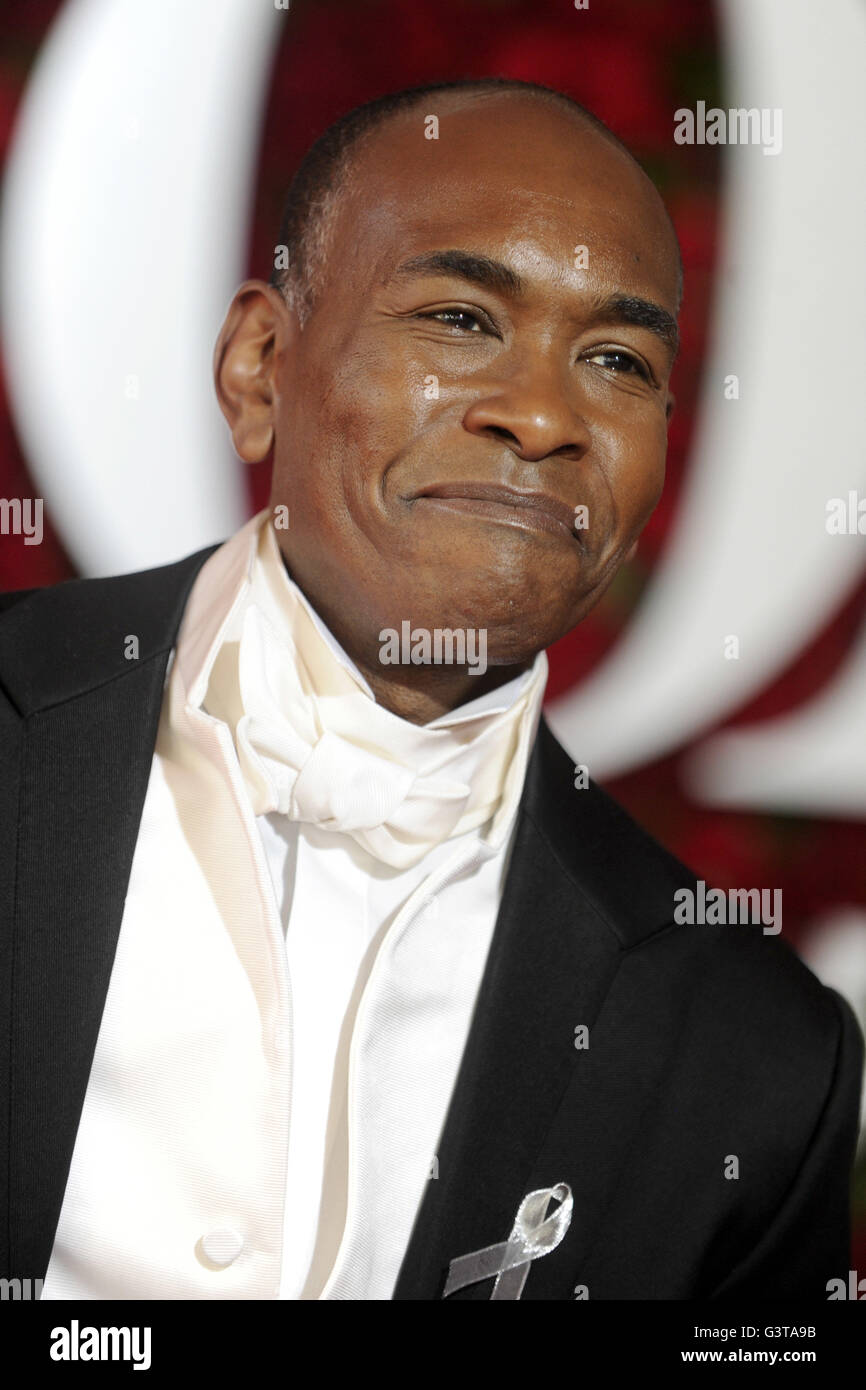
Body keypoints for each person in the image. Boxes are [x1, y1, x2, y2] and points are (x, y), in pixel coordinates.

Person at [0, 78, 861, 1302]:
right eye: (460, 318)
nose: (540, 416)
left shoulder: (759, 1058)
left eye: (615, 357)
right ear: (258, 366)